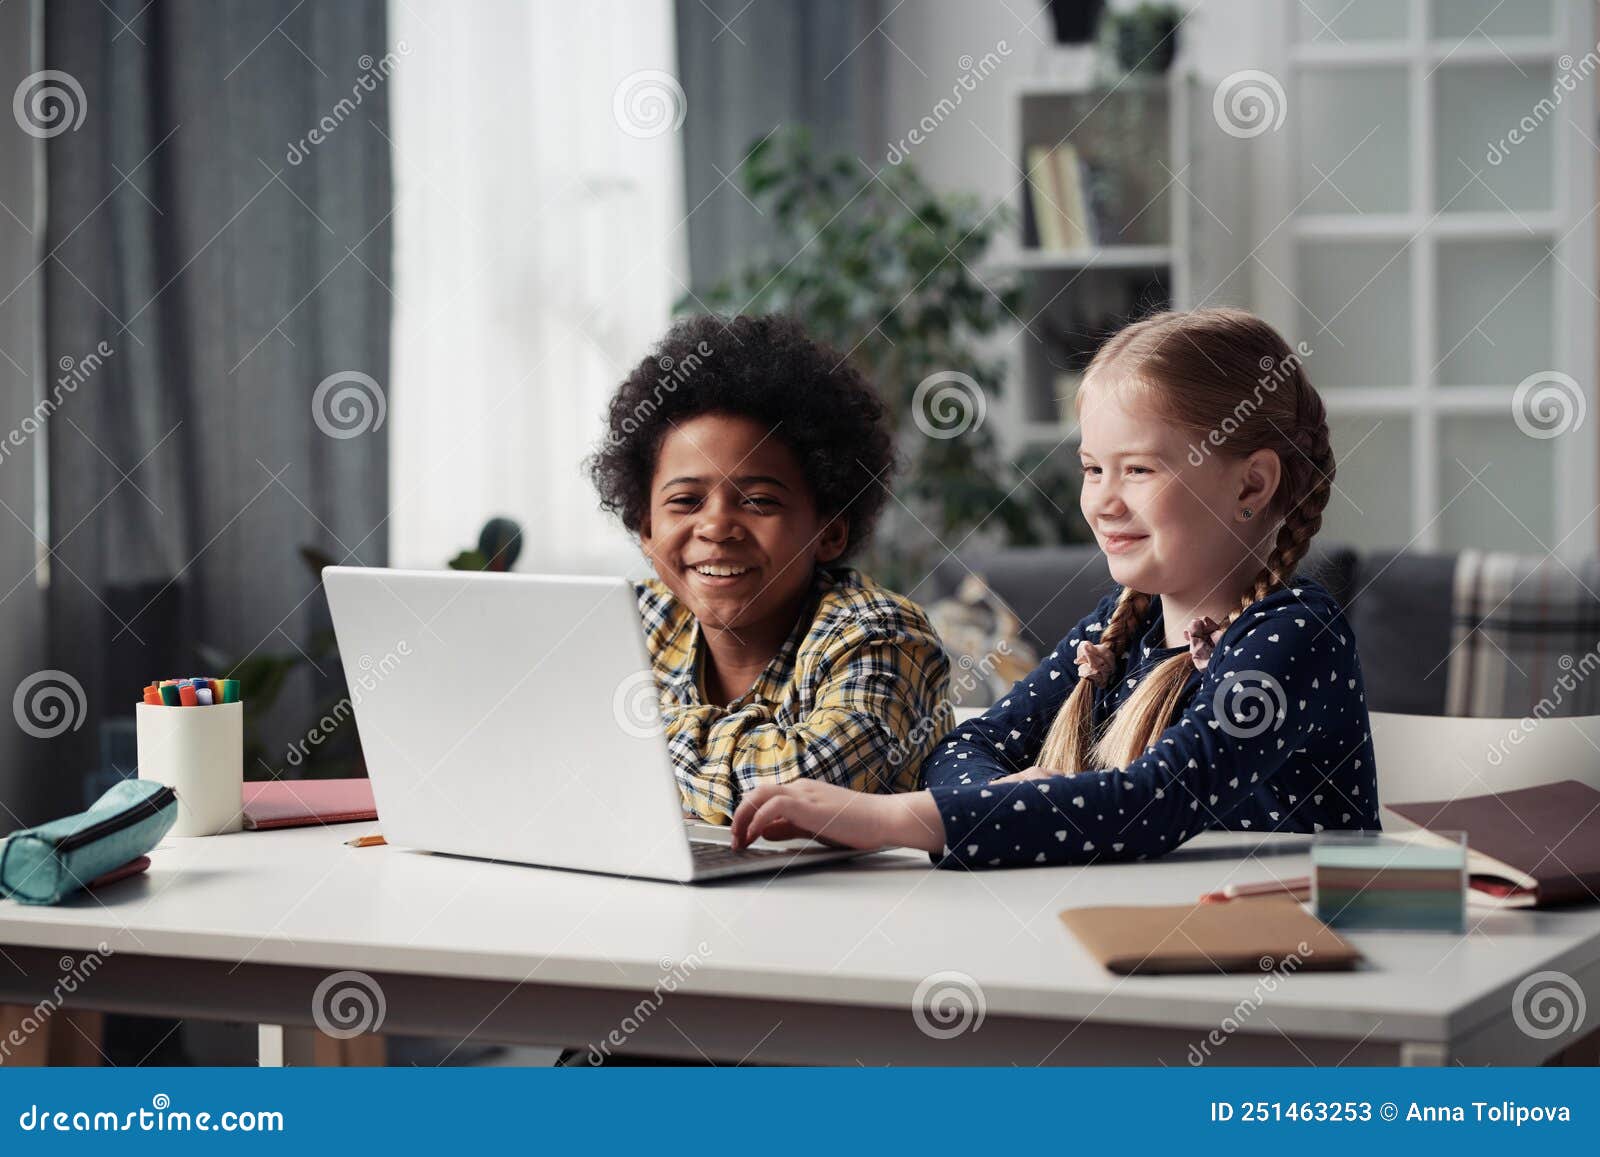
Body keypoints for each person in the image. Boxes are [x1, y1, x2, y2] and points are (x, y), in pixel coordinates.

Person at [730, 307, 1380, 866]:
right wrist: (1006, 795)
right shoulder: (1120, 627)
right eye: (1093, 468)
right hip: (1157, 945)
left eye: (1138, 469)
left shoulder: (1294, 634)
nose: (1101, 501)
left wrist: (891, 818)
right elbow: (968, 744)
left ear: (1251, 486)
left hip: (1302, 974)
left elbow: (1150, 803)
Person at [588, 313, 953, 824]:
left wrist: (623, 741)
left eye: (758, 501)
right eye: (686, 500)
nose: (716, 527)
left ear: (829, 530)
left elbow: (797, 793)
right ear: (646, 530)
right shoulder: (632, 621)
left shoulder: (883, 637)